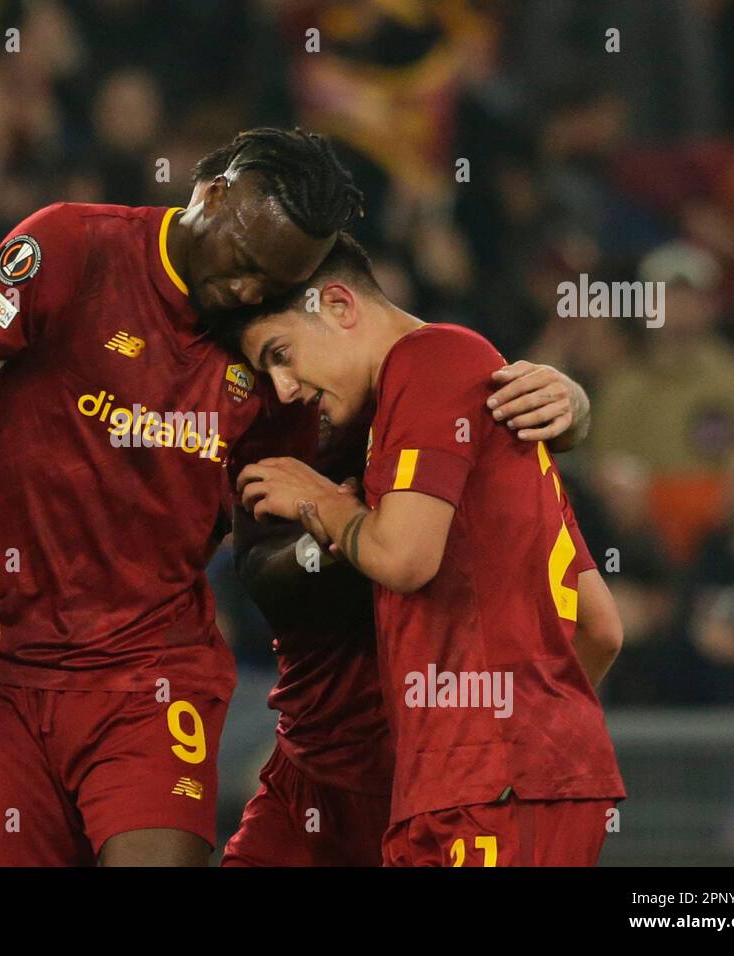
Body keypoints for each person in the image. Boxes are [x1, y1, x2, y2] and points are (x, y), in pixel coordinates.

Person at [0, 128, 365, 867]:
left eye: (272, 284)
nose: (247, 292)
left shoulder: (272, 350)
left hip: (153, 674)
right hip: (1, 672)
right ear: (213, 191)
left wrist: (325, 545)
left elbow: (264, 528)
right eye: (242, 262)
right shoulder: (69, 249)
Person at [229, 234, 625, 866]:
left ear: (338, 305)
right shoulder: (464, 413)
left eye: (282, 354)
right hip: (440, 779)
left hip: (475, 780)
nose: (282, 388)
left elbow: (405, 558)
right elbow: (598, 628)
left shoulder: (431, 359)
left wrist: (323, 506)